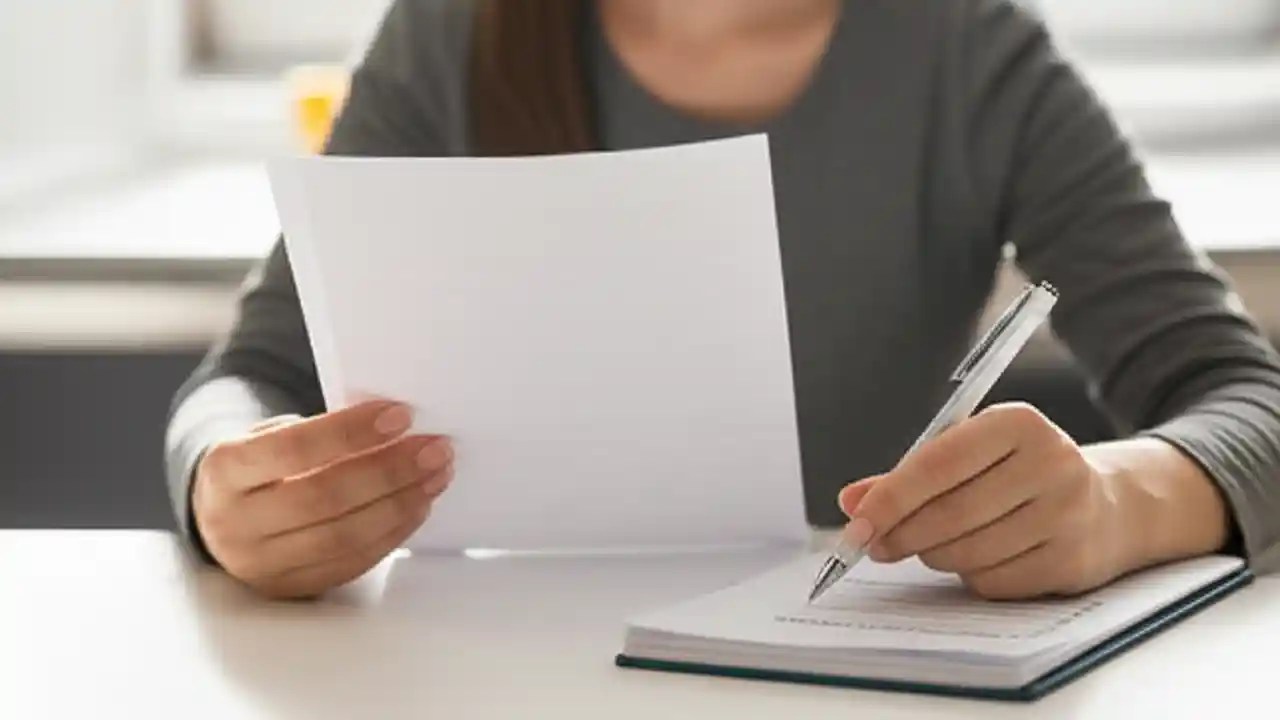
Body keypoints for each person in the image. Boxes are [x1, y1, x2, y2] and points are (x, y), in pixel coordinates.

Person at [167, 0, 1280, 600]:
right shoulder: (450, 33)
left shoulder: (969, 50)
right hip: (481, 666)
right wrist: (225, 494)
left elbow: (1248, 405)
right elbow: (249, 380)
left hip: (840, 671)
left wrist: (1110, 502)